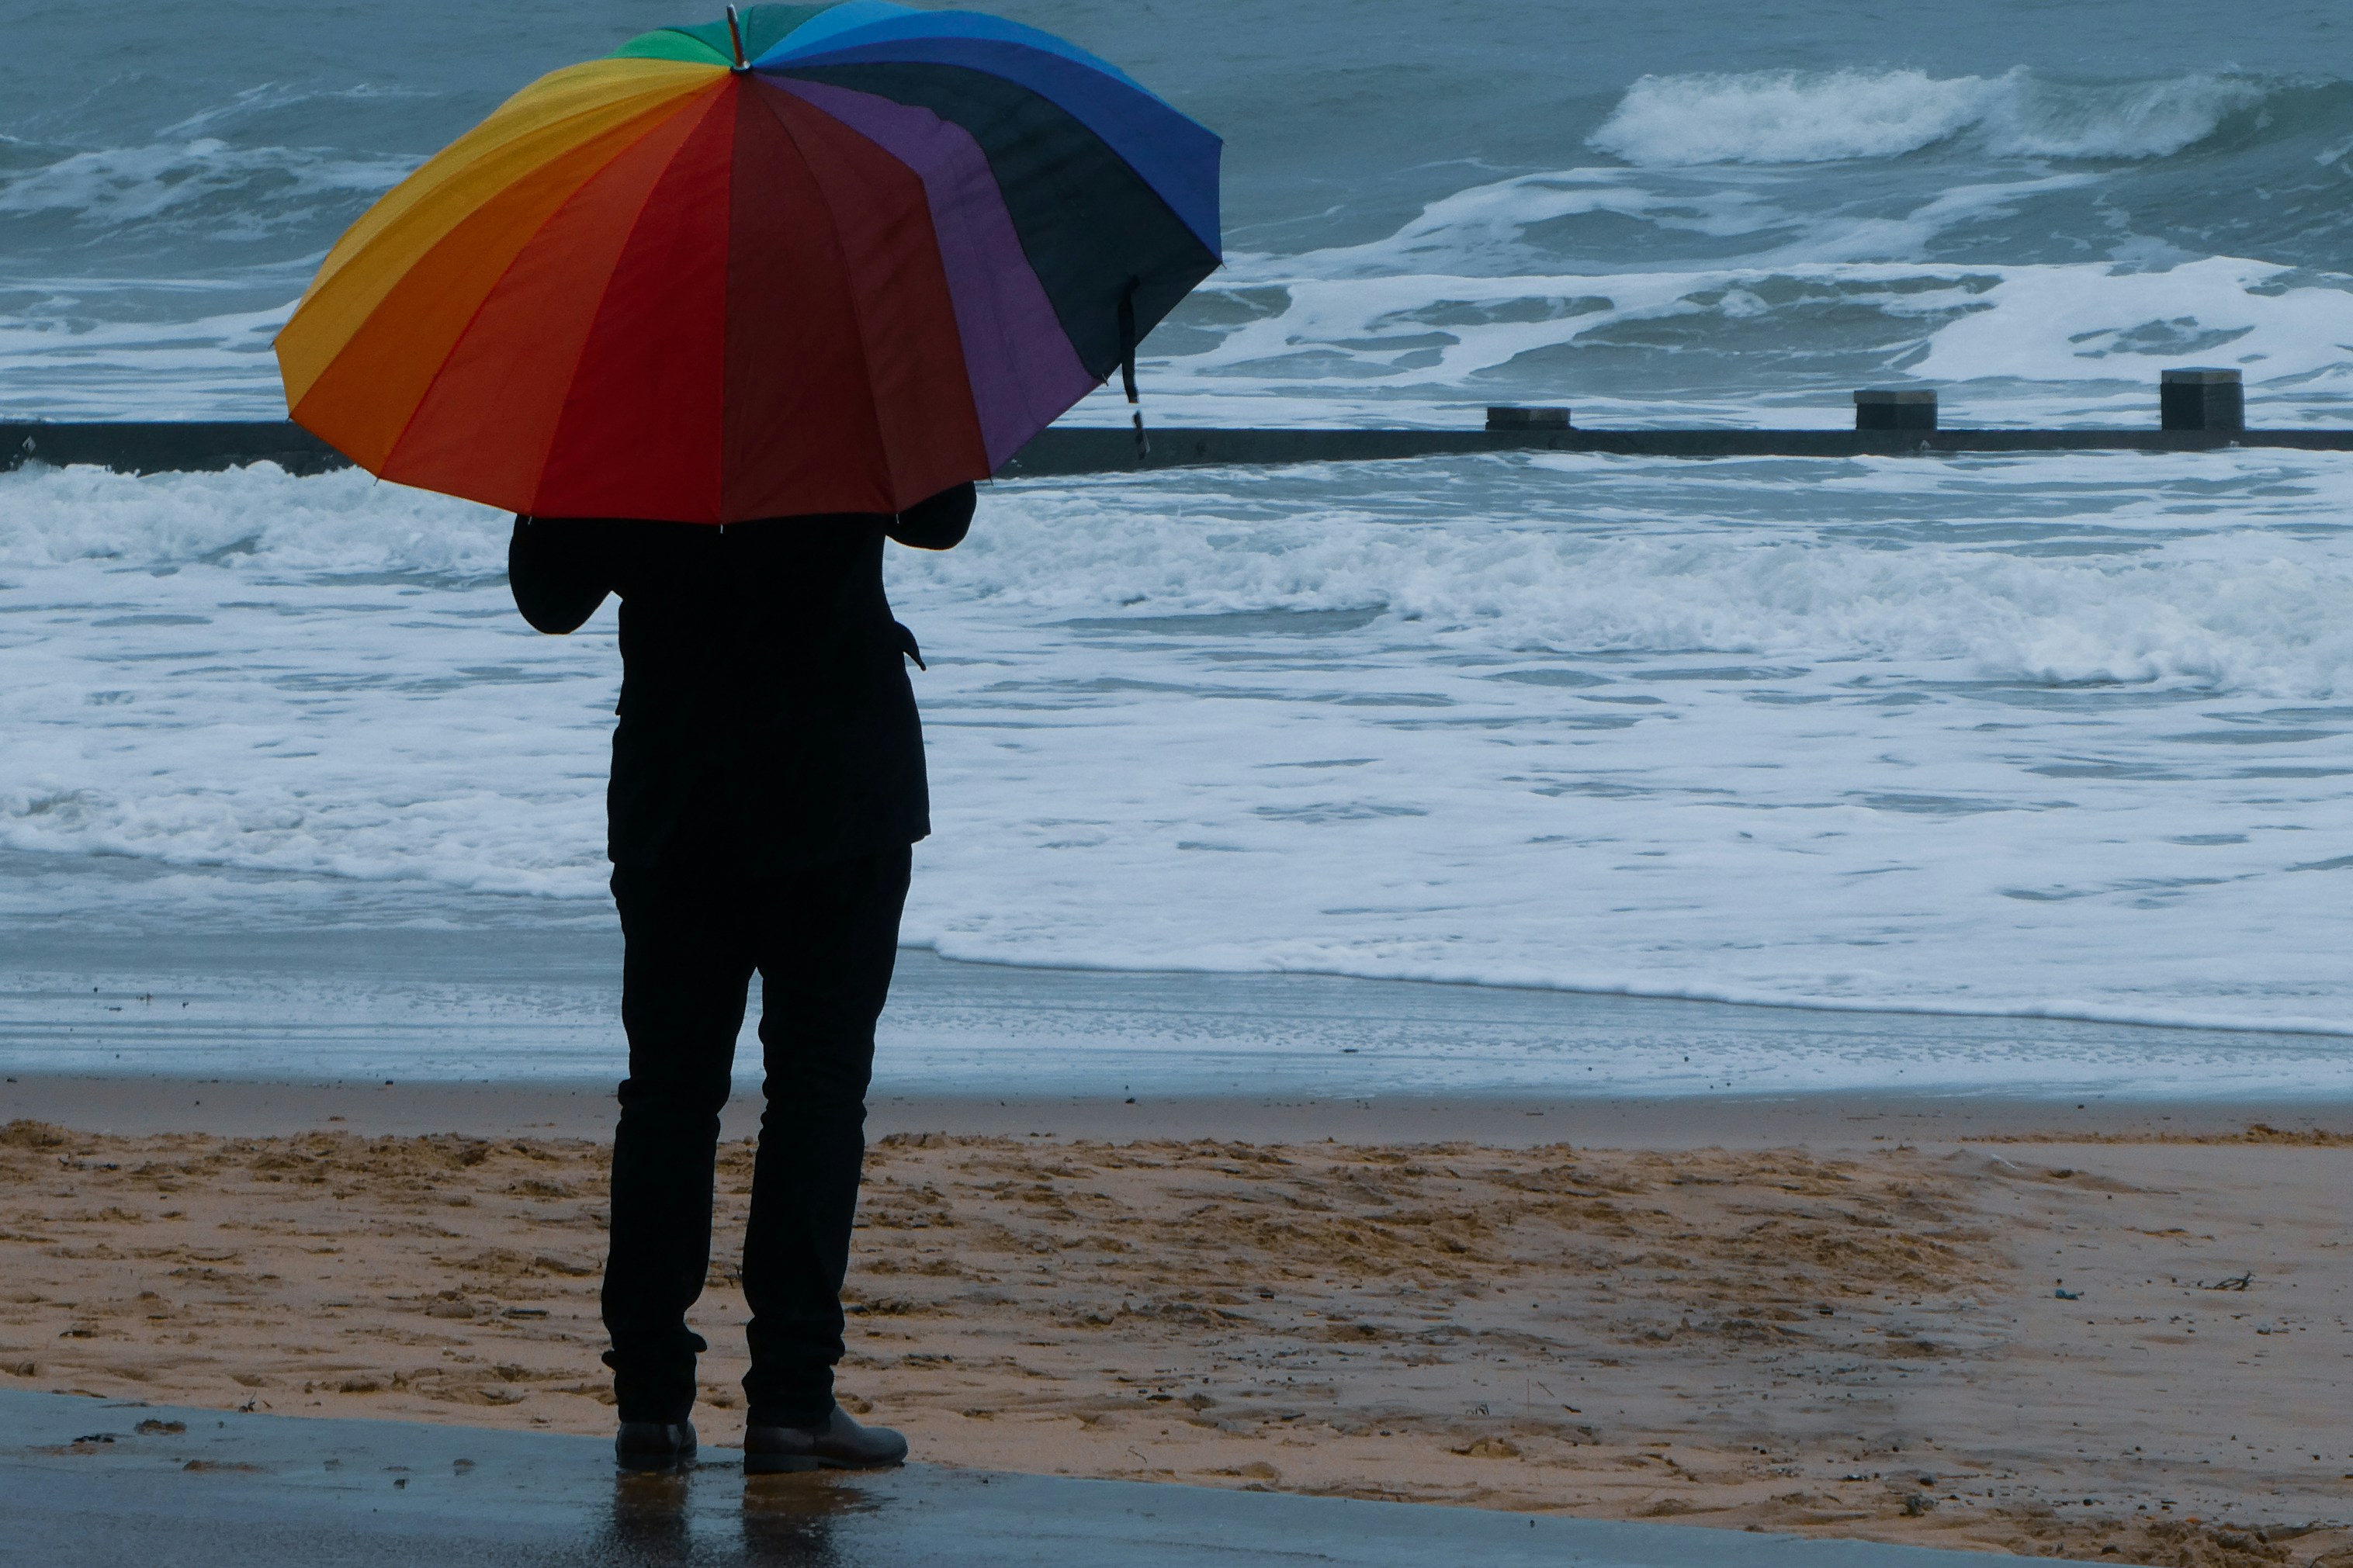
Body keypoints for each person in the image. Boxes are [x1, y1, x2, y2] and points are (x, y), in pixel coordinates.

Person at [507, 482, 976, 1473]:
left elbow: (548, 597)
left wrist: (559, 478)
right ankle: (793, 1403)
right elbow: (938, 517)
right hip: (836, 774)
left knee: (669, 1096)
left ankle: (650, 1403)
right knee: (816, 1090)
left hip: (680, 782)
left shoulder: (618, 388)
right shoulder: (844, 348)